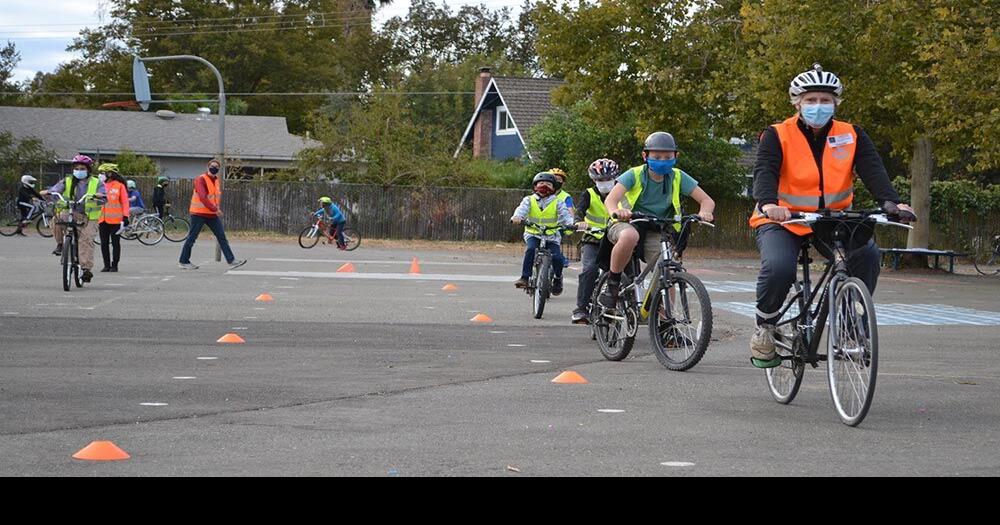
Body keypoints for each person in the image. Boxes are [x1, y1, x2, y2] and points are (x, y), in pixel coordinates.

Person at [747, 64, 915, 368]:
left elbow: (873, 169)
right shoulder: (777, 134)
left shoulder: (851, 135)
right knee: (779, 268)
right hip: (784, 219)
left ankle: (852, 322)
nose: (818, 106)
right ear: (796, 102)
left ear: (836, 102)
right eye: (811, 100)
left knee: (865, 253)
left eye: (825, 100)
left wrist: (892, 203)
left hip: (832, 219)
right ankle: (765, 327)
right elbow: (765, 170)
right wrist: (769, 203)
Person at [598, 132, 716, 311]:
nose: (663, 161)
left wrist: (705, 212)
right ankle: (613, 284)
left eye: (668, 157)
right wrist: (616, 211)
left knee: (667, 269)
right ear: (645, 156)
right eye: (657, 157)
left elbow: (707, 200)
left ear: (676, 156)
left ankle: (666, 323)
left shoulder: (678, 177)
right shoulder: (634, 174)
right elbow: (611, 200)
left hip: (656, 228)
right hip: (627, 222)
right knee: (630, 236)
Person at [510, 172, 576, 296]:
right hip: (533, 233)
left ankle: (557, 277)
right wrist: (517, 217)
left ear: (554, 188)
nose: (544, 186)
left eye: (548, 184)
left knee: (557, 258)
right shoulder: (528, 200)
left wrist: (571, 224)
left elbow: (566, 215)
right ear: (535, 187)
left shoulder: (558, 202)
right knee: (531, 249)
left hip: (552, 235)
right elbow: (521, 210)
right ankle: (525, 277)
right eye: (541, 183)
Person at [571, 158, 618, 324]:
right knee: (589, 269)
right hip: (593, 239)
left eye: (607, 179)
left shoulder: (622, 192)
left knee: (626, 273)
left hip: (615, 239)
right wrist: (578, 221)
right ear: (593, 180)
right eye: (600, 180)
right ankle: (581, 309)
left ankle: (627, 305)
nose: (604, 183)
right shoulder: (589, 194)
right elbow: (580, 210)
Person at [178, 159, 247, 270]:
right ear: (208, 167)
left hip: (211, 214)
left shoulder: (216, 180)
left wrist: (214, 209)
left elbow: (214, 197)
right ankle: (183, 261)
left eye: (217, 167)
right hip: (198, 213)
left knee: (221, 237)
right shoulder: (201, 179)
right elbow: (203, 197)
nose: (214, 168)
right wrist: (215, 209)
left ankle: (231, 260)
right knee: (192, 238)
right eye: (213, 166)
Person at [48, 154, 105, 283]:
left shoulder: (96, 182)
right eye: (77, 168)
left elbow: (104, 196)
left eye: (82, 168)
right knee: (57, 220)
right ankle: (60, 244)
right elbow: (56, 189)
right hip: (70, 212)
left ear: (88, 170)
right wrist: (49, 192)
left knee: (86, 239)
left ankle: (86, 269)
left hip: (89, 217)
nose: (79, 171)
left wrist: (99, 196)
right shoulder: (67, 180)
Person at [97, 163, 130, 273]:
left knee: (115, 243)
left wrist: (125, 217)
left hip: (116, 220)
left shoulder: (119, 186)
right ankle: (106, 265)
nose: (100, 175)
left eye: (103, 173)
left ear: (110, 174)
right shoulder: (99, 185)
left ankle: (114, 265)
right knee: (104, 243)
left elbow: (125, 202)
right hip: (102, 219)